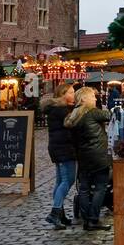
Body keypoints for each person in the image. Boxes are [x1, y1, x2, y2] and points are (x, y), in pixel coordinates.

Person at [63, 86, 112, 231]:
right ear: (84, 99)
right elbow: (109, 115)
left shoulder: (74, 115)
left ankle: (86, 220)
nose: (95, 98)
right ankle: (93, 219)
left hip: (83, 157)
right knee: (100, 188)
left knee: (84, 189)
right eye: (92, 96)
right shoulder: (92, 112)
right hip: (98, 157)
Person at [41, 82, 78, 229]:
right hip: (65, 148)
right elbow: (72, 126)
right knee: (67, 181)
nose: (73, 94)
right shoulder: (63, 111)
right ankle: (55, 213)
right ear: (63, 95)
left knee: (60, 181)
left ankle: (60, 214)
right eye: (71, 92)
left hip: (57, 148)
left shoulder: (55, 109)